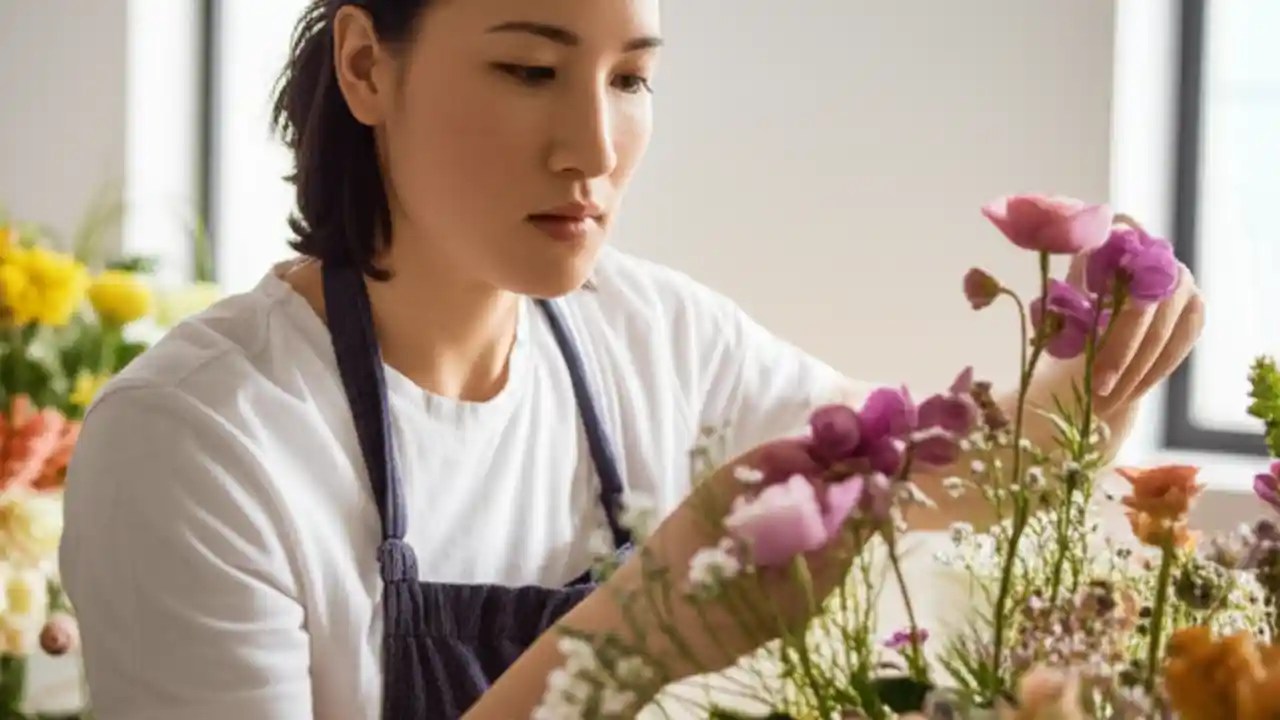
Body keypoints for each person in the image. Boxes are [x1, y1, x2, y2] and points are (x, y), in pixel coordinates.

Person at [57, 0, 1205, 718]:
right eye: (526, 69)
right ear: (365, 65)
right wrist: (636, 631)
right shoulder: (197, 441)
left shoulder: (653, 336)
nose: (593, 149)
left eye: (630, 77)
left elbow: (960, 469)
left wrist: (1095, 365)